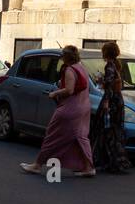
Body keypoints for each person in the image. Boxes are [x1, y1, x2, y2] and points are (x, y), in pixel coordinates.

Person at [20, 46, 96, 178]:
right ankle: (88, 167)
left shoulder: (70, 70)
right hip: (84, 107)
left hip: (69, 109)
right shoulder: (81, 67)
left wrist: (54, 93)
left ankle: (37, 165)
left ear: (66, 57)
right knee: (81, 137)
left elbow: (70, 90)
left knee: (52, 136)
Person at [90, 41, 132, 174]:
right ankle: (117, 161)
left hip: (111, 101)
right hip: (118, 100)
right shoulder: (116, 65)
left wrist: (106, 102)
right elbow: (114, 83)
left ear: (106, 53)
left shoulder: (109, 65)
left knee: (107, 131)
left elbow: (109, 85)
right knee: (115, 131)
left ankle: (110, 162)